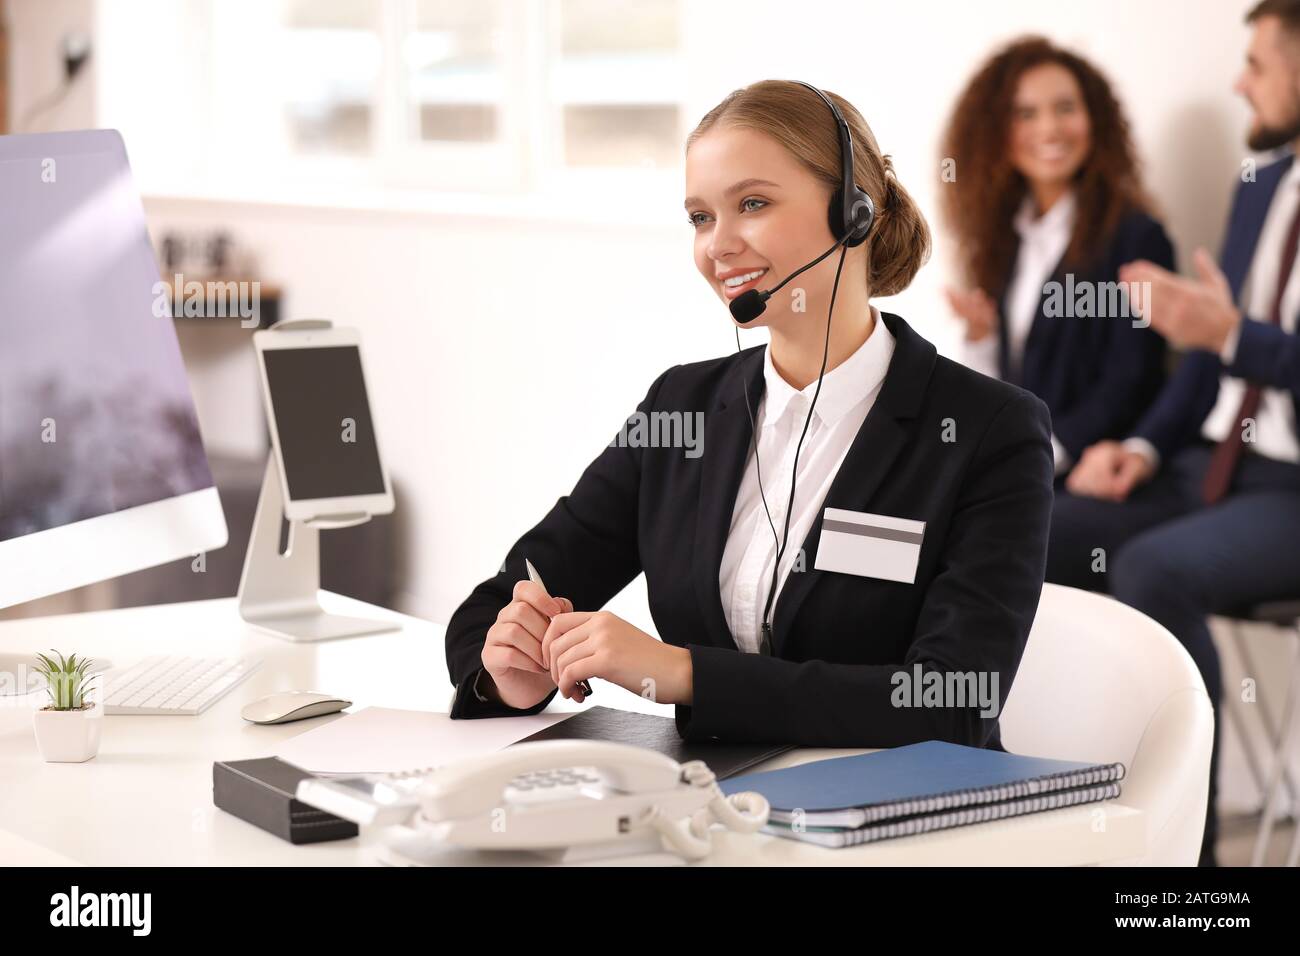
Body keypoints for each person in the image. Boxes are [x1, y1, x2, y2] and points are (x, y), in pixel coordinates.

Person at [445, 79, 1054, 751]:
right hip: (714, 812)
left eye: (753, 204)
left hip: (897, 826)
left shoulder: (991, 431)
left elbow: (954, 699)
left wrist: (683, 673)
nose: (719, 245)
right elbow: (493, 608)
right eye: (701, 218)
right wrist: (509, 674)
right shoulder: (682, 409)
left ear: (854, 212)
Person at [1047, 0, 1300, 866]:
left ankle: (1184, 852)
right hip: (1209, 466)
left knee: (1152, 567)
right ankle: (1042, 809)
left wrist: (1230, 336)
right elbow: (1202, 357)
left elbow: (1230, 338)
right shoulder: (1262, 181)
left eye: (1259, 64)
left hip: (1290, 493)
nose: (1241, 81)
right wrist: (1142, 448)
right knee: (1032, 523)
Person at [940, 36, 1174, 481]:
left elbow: (1131, 377)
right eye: (1025, 114)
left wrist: (1040, 456)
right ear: (996, 134)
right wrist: (982, 338)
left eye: (1066, 108)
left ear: (1095, 119)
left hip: (1086, 467)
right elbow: (1010, 390)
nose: (1049, 129)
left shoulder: (1135, 237)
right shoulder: (1006, 238)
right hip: (1022, 463)